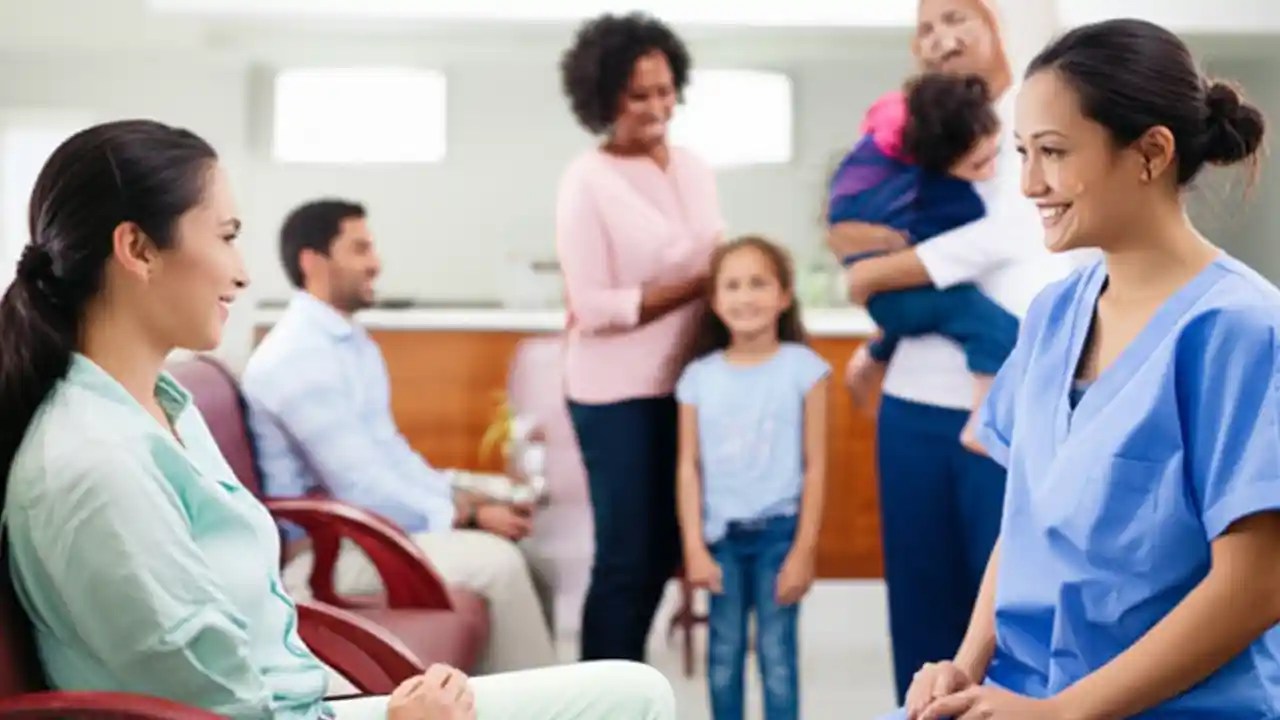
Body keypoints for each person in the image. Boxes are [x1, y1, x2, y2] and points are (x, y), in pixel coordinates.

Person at [0, 119, 677, 720]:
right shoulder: (93, 466)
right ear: (139, 250)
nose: (240, 275)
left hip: (305, 701)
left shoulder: (159, 408)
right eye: (228, 238)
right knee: (632, 695)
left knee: (637, 690)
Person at [885, 18, 1280, 720]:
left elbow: (1258, 585)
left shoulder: (1240, 329)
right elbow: (1028, 519)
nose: (1032, 184)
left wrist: (1064, 713)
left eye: (1055, 153)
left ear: (1151, 152)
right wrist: (965, 665)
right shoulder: (1054, 314)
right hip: (1023, 693)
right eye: (1022, 154)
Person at [826, 0, 1073, 704]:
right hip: (912, 405)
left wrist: (878, 274)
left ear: (996, 23)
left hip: (998, 404)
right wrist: (882, 324)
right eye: (926, 27)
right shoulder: (921, 128)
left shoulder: (1037, 102)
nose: (940, 38)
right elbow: (861, 227)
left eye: (956, 17)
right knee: (921, 613)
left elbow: (1013, 232)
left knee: (1005, 614)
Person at [241, 199, 557, 673]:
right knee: (502, 566)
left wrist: (467, 494)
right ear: (313, 261)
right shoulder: (295, 358)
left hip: (367, 529)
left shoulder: (348, 343)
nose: (376, 262)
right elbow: (362, 488)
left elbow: (389, 457)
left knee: (535, 561)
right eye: (360, 248)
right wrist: (467, 513)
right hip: (330, 552)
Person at [556, 11, 725, 662]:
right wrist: (699, 282)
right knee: (627, 559)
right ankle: (598, 698)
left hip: (685, 386)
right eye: (639, 95)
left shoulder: (693, 166)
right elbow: (591, 307)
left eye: (665, 90)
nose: (659, 107)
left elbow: (716, 259)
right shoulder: (587, 181)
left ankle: (627, 687)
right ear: (603, 100)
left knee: (662, 553)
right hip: (615, 394)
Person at [676, 237, 830, 720]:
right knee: (722, 660)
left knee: (778, 658)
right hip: (721, 538)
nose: (746, 297)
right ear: (716, 300)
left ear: (784, 296)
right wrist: (694, 548)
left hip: (779, 536)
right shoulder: (698, 377)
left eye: (759, 283)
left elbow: (817, 465)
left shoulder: (805, 370)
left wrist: (804, 551)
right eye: (733, 285)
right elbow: (687, 466)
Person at [827, 71, 1016, 450]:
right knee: (997, 329)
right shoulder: (948, 197)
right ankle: (981, 420)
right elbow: (974, 242)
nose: (991, 171)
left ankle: (878, 351)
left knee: (939, 310)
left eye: (993, 155)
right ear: (940, 163)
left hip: (890, 300)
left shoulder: (895, 182)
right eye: (977, 166)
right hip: (893, 297)